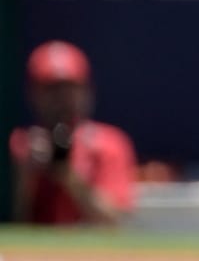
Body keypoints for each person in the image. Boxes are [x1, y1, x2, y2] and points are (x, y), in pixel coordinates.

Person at [9, 41, 136, 224]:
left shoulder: (109, 143)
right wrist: (25, 177)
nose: (62, 98)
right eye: (52, 89)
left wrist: (66, 174)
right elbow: (17, 224)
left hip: (91, 242)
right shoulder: (21, 143)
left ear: (86, 90)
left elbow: (115, 222)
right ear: (33, 93)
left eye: (70, 88)